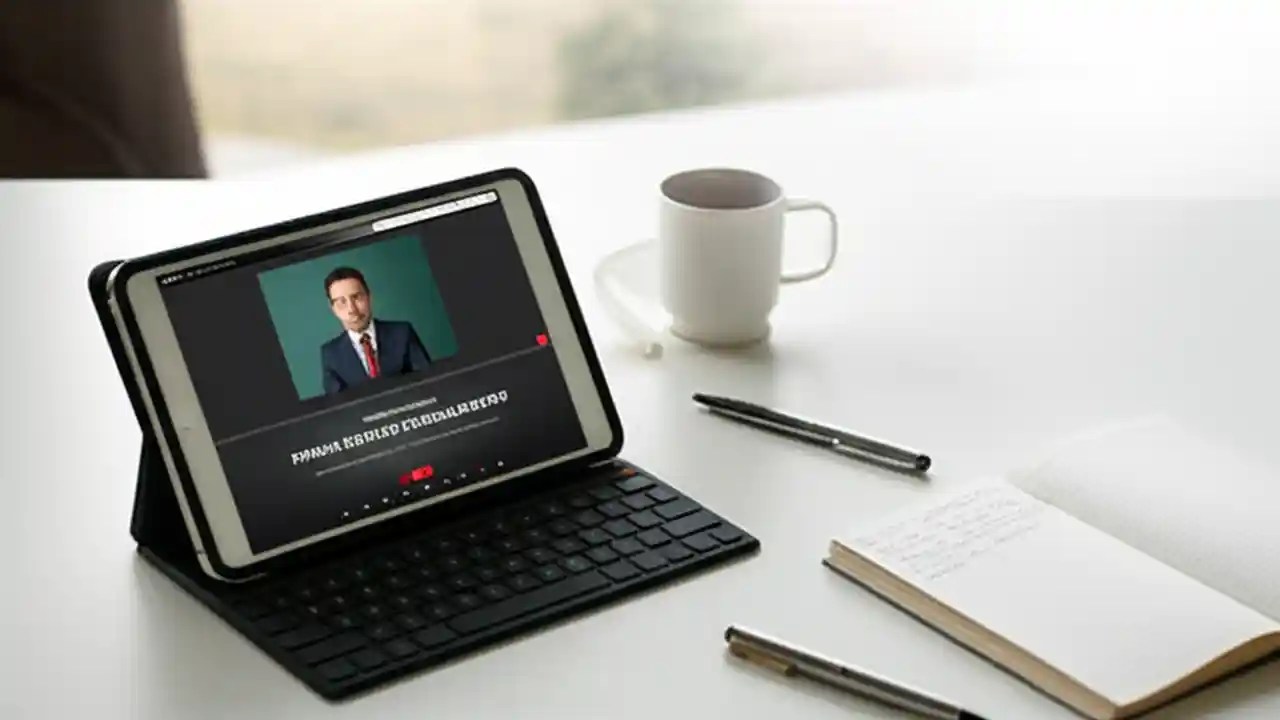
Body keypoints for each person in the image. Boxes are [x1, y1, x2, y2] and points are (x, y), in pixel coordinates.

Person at [320, 267, 430, 395]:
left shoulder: (402, 333)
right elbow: (338, 403)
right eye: (342, 302)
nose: (352, 309)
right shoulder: (330, 354)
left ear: (369, 297)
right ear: (333, 309)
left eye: (356, 297)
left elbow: (428, 382)